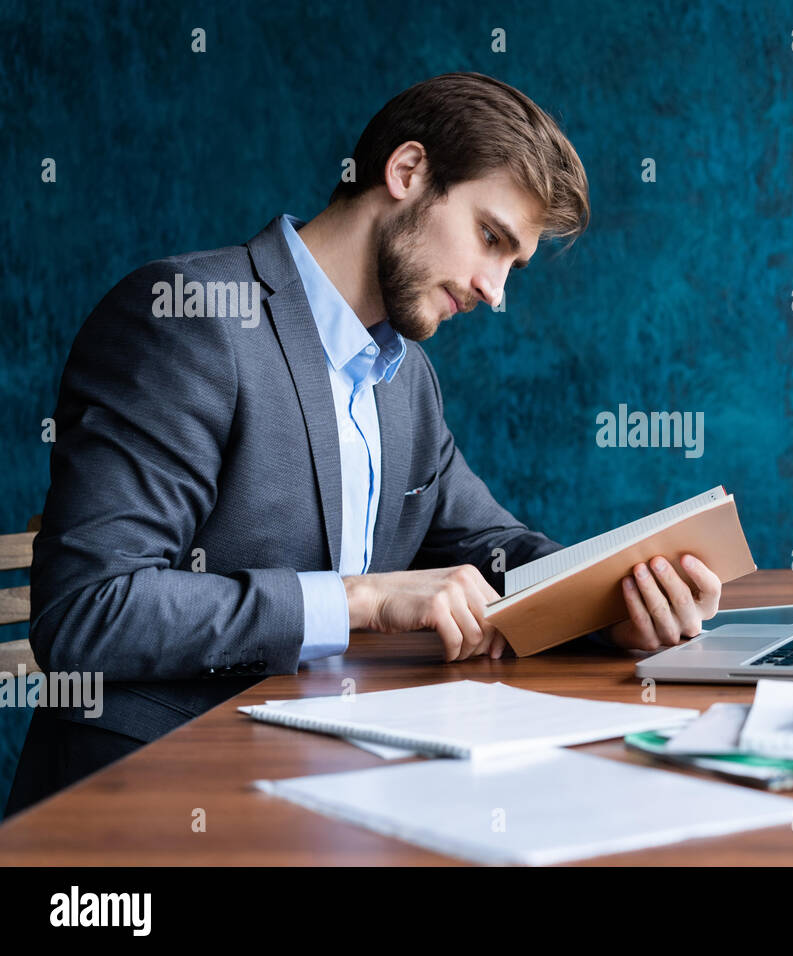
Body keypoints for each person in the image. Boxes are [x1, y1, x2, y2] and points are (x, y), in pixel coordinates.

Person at [5, 73, 722, 816]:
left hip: (336, 785)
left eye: (514, 263)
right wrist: (365, 599)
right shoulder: (189, 322)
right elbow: (86, 614)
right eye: (490, 238)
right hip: (155, 804)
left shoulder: (405, 377)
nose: (495, 290)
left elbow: (491, 546)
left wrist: (610, 603)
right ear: (407, 172)